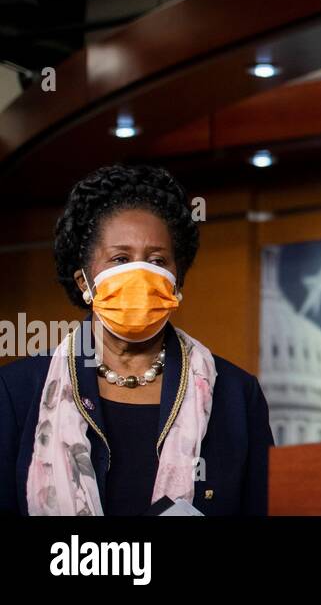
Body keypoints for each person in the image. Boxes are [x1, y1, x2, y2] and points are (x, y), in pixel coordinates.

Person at [0, 163, 272, 515]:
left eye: (157, 260)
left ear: (176, 280)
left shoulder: (234, 395)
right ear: (84, 281)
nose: (141, 273)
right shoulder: (19, 392)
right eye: (120, 259)